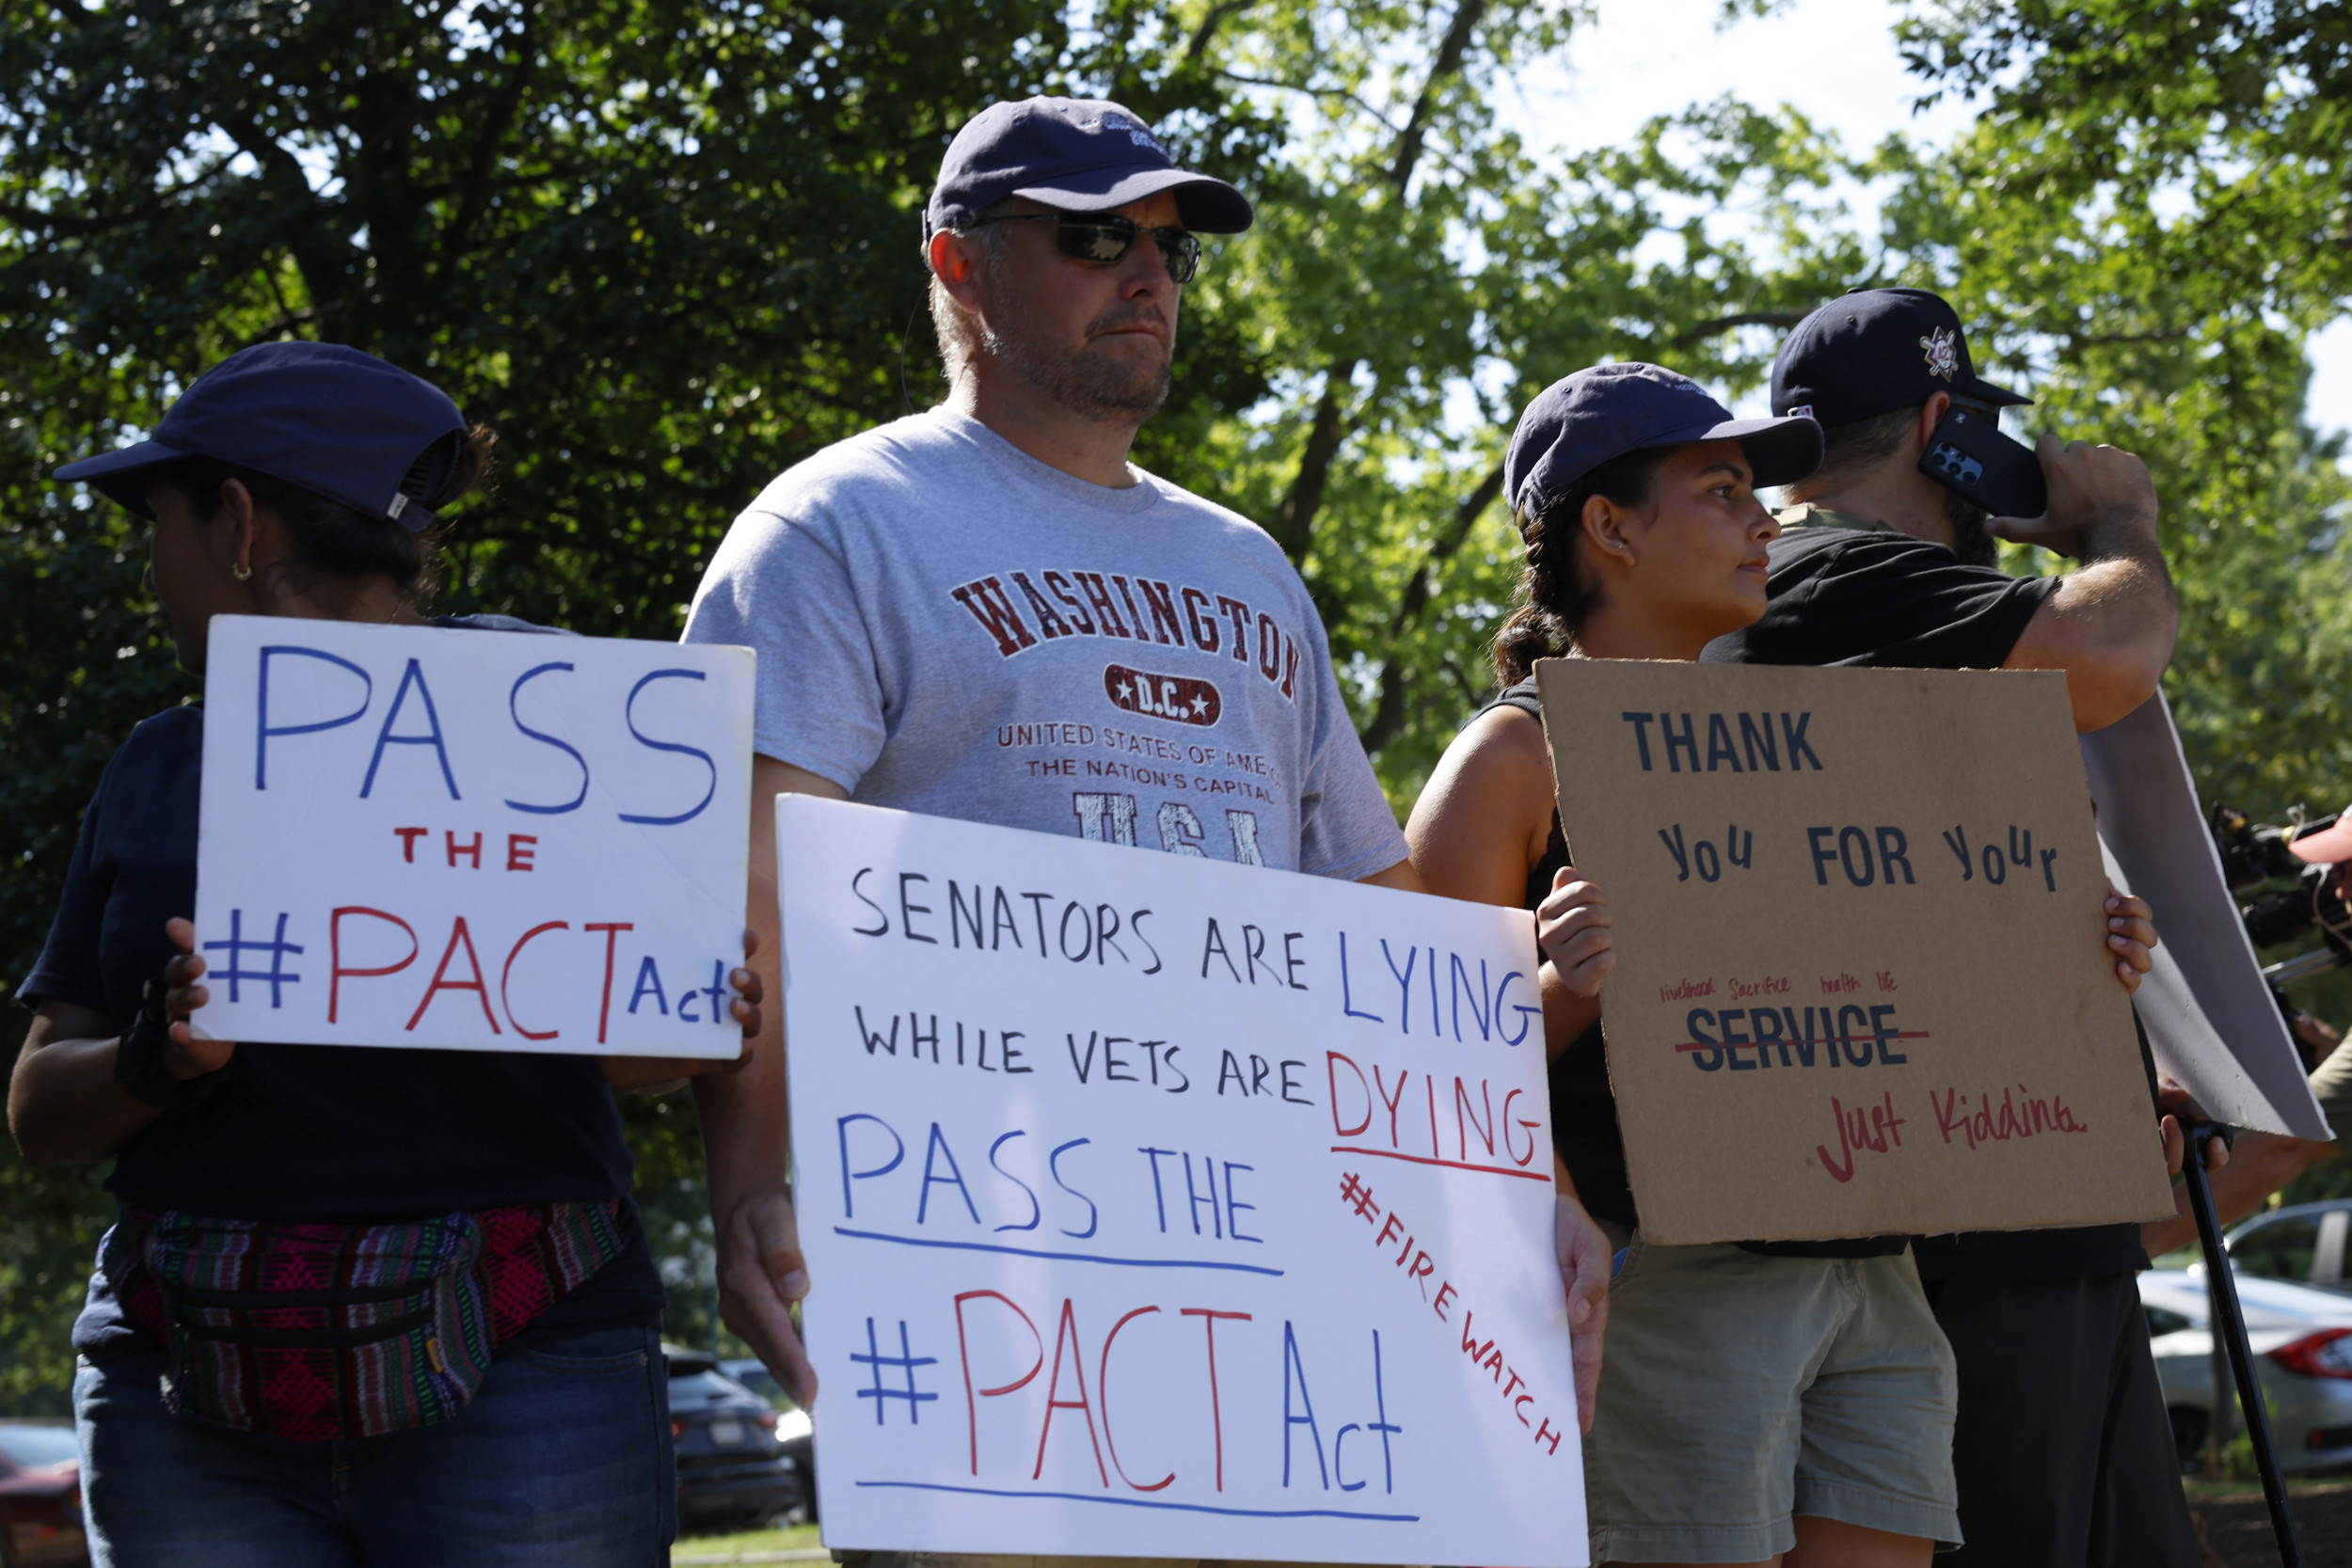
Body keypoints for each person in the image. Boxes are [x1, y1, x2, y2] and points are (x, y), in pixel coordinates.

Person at [679, 95, 1613, 1565]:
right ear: (960, 264)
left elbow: (1383, 931)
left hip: (1285, 1292)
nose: (1151, 277)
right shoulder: (835, 527)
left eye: (1171, 248)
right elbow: (757, 897)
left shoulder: (1244, 564)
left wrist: (1526, 1193)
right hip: (985, 1284)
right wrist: (749, 1188)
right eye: (1096, 236)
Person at [13, 341, 758, 1567]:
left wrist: (708, 1004)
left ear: (238, 522)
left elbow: (641, 1059)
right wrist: (153, 1057)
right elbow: (41, 1111)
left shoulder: (563, 725)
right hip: (196, 1419)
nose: (153, 570)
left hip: (525, 1381)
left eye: (159, 523)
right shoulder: (153, 766)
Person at [1409, 361, 2163, 1568]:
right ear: (1608, 526)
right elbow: (1413, 1063)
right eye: (1720, 488)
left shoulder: (1824, 741)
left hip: (1879, 1278)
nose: (1767, 519)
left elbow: (1913, 1001)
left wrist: (2069, 964)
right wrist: (1560, 989)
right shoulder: (1514, 756)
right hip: (1669, 1277)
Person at [1704, 288, 2214, 1568]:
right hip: (1978, 1239)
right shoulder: (1829, 570)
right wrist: (2121, 523)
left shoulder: (1865, 597)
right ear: (1944, 428)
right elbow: (2113, 650)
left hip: (2025, 1206)